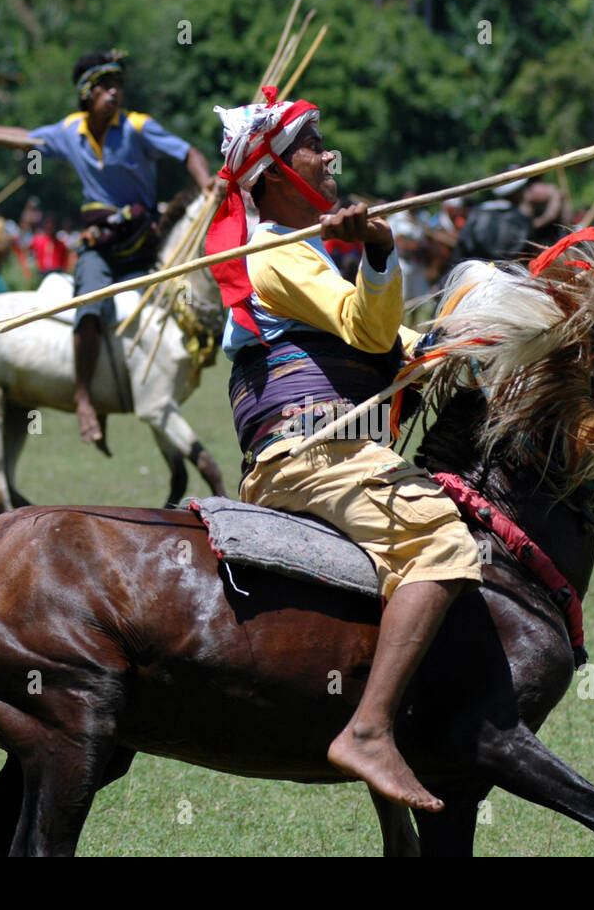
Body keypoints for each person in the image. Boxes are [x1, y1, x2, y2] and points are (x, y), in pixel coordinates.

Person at [205, 91, 483, 811]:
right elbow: (365, 332)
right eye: (313, 145)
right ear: (273, 174)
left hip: (324, 451)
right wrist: (381, 251)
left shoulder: (299, 251)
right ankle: (367, 731)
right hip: (316, 453)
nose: (329, 157)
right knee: (440, 539)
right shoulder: (273, 250)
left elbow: (389, 345)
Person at [0, 49, 215, 452]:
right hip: (100, 247)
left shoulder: (140, 127)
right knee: (90, 309)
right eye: (105, 86)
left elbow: (189, 153)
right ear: (86, 93)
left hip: (144, 244)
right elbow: (26, 140)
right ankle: (86, 400)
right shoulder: (70, 131)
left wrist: (207, 182)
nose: (115, 92)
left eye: (118, 85)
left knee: (168, 315)